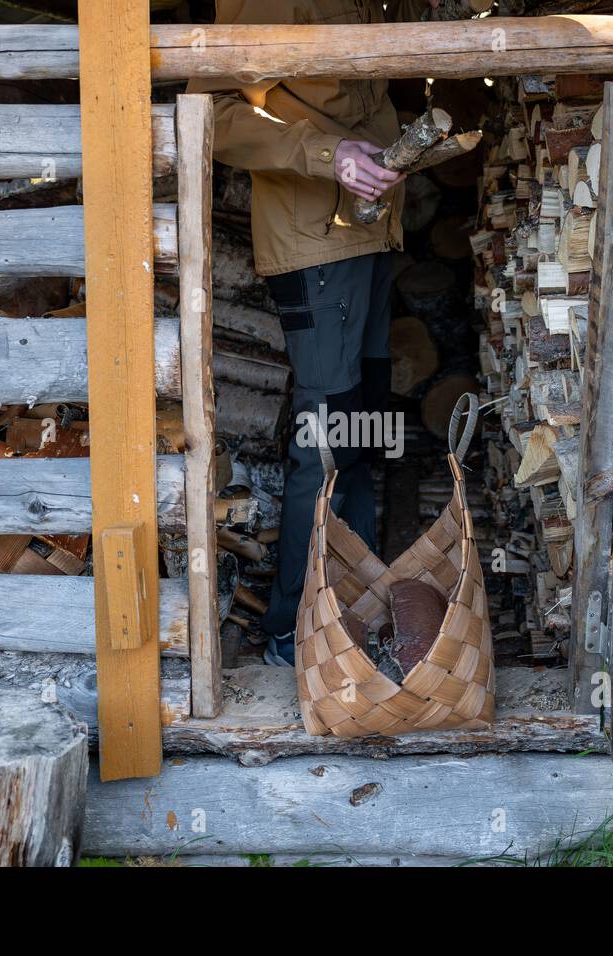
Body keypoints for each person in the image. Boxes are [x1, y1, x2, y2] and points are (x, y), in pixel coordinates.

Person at [187, 0, 438, 665]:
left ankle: (350, 607)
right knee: (324, 441)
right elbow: (211, 112)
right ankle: (292, 628)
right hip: (316, 249)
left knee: (360, 431)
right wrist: (328, 154)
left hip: (373, 236)